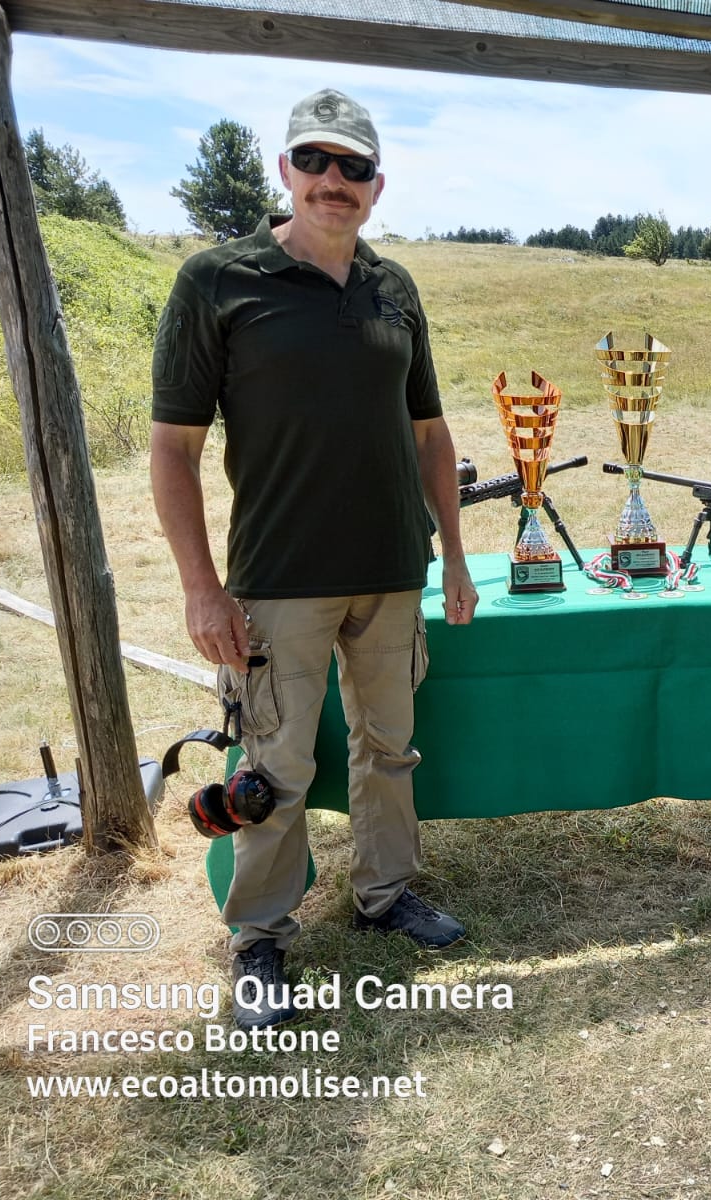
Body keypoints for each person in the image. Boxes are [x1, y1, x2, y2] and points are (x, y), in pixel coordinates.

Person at [150, 88, 478, 1029]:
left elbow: (430, 433)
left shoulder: (393, 288)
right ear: (286, 171)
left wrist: (452, 555)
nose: (335, 181)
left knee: (389, 748)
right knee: (276, 763)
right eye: (317, 161)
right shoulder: (219, 280)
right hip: (279, 578)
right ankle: (258, 936)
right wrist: (201, 587)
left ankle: (385, 894)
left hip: (390, 570)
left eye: (355, 167)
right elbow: (173, 447)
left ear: (378, 184)